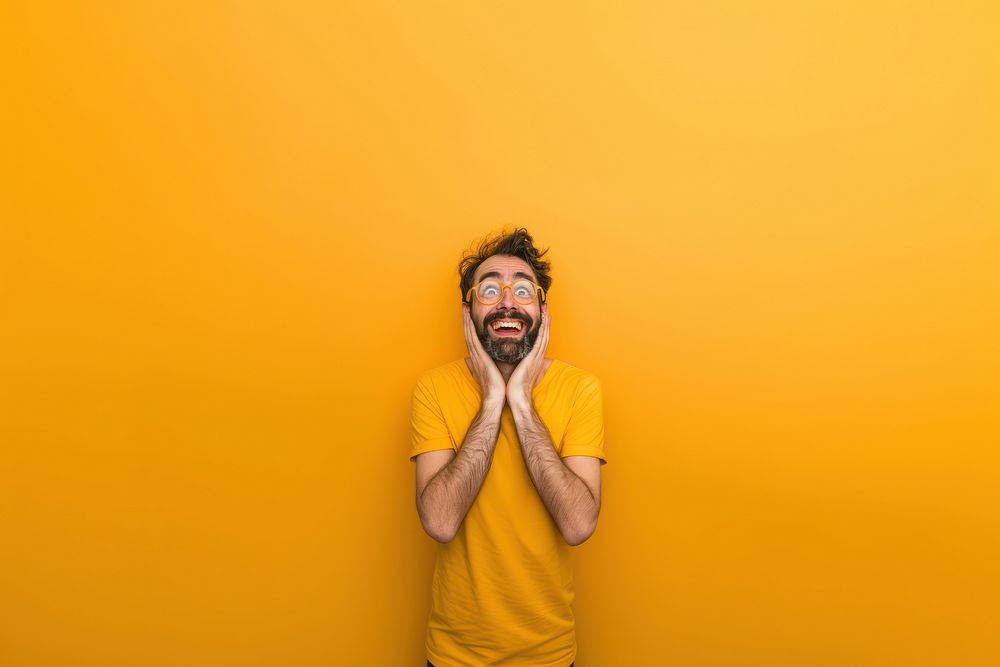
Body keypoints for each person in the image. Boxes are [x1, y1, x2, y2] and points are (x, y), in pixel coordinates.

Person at [409, 227, 607, 667]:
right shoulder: (434, 389)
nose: (507, 301)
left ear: (541, 309)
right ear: (468, 311)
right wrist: (492, 400)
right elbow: (439, 521)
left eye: (522, 290)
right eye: (490, 289)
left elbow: (578, 525)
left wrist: (519, 402)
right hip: (453, 656)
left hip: (550, 655)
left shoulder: (580, 390)